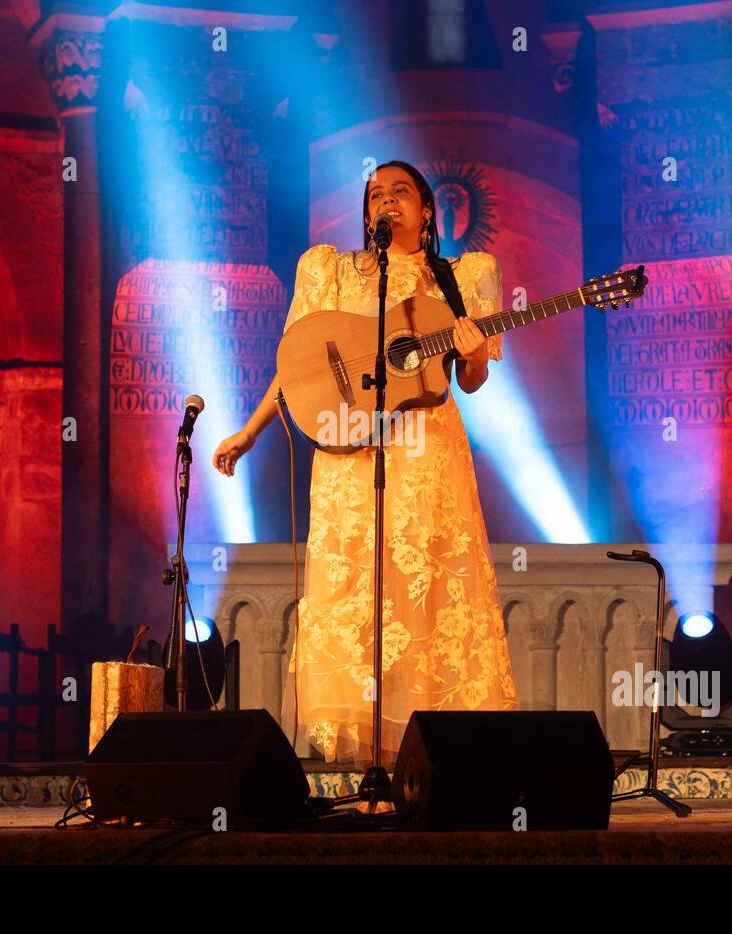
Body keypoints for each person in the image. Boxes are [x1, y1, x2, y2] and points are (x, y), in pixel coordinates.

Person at [213, 160, 517, 765]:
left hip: (427, 454)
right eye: (375, 193)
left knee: (421, 596)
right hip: (350, 453)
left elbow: (474, 380)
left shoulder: (462, 278)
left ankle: (425, 765)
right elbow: (299, 369)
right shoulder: (329, 269)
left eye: (401, 191)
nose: (387, 200)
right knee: (361, 595)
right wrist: (250, 433)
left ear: (428, 210)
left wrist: (475, 354)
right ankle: (373, 763)